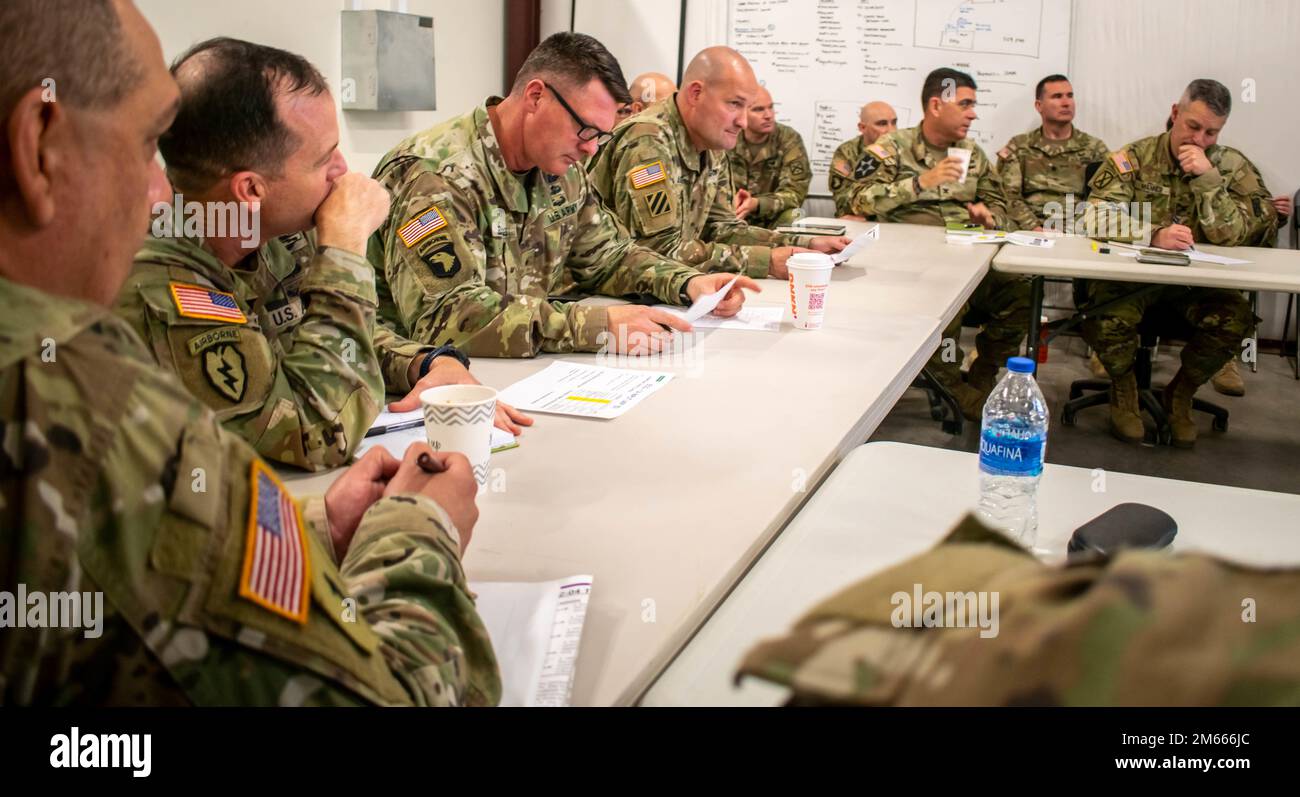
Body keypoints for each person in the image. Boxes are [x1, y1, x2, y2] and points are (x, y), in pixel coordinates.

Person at [0, 0, 499, 706]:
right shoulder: (82, 378)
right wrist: (419, 527)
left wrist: (321, 524)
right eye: (147, 144)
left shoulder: (270, 226)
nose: (157, 193)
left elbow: (140, 567)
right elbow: (319, 425)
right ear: (38, 145)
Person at [115, 38, 529, 473]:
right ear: (251, 189)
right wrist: (346, 248)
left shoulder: (269, 231)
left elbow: (318, 330)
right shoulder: (163, 288)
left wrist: (426, 363)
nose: (343, 169)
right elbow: (318, 436)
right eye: (323, 158)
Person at [370, 33, 755, 359]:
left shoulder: (561, 168)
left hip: (516, 373)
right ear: (536, 96)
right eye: (586, 130)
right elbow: (448, 317)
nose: (591, 150)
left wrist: (687, 284)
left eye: (601, 136)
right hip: (417, 396)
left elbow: (609, 256)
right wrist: (597, 326)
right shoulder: (437, 177)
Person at [1080, 79, 1275, 447]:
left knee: (1236, 320)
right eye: (1193, 126)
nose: (1199, 139)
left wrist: (1208, 180)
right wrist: (1152, 233)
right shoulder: (1133, 158)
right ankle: (1124, 389)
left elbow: (1236, 235)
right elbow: (1093, 217)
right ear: (1175, 114)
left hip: (1197, 285)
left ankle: (1180, 393)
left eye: (1211, 132)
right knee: (1105, 314)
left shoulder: (1231, 167)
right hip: (1133, 280)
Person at [850, 68, 1030, 419]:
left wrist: (989, 218)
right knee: (942, 305)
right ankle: (951, 385)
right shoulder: (890, 148)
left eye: (973, 105)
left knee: (1021, 294)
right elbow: (858, 200)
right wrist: (920, 183)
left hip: (968, 260)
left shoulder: (973, 154)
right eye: (965, 104)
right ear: (936, 104)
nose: (973, 113)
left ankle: (981, 374)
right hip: (911, 264)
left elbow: (1002, 209)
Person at [589, 46, 847, 280]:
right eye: (734, 104)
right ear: (696, 93)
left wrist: (802, 243)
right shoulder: (647, 141)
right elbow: (656, 250)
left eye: (748, 108)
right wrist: (765, 262)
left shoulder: (711, 141)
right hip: (596, 294)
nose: (743, 122)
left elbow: (721, 229)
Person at [996, 74, 1108, 232]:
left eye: (1070, 96)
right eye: (1057, 97)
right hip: (1027, 232)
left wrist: (1073, 229)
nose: (1066, 102)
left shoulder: (1094, 149)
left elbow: (1103, 198)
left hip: (1077, 232)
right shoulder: (1020, 146)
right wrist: (1034, 228)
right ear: (1039, 105)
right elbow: (1008, 196)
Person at [726, 85, 811, 228]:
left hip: (771, 218)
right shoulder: (728, 137)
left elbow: (794, 194)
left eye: (770, 107)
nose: (768, 115)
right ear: (741, 112)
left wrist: (757, 204)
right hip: (733, 213)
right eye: (758, 109)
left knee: (795, 214)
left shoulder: (788, 139)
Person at [828, 101, 897, 219]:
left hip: (894, 218)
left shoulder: (902, 149)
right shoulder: (847, 152)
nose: (891, 130)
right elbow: (841, 197)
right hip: (859, 216)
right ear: (862, 127)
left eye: (894, 123)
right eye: (882, 124)